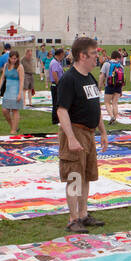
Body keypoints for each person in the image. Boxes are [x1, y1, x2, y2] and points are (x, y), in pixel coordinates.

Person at [55, 36, 109, 233]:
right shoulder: (69, 79)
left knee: (86, 175)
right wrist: (70, 138)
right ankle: (73, 218)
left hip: (89, 133)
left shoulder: (90, 77)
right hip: (75, 131)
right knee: (74, 175)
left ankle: (84, 214)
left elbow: (96, 105)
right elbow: (61, 111)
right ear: (82, 55)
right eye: (94, 54)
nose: (97, 57)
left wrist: (102, 131)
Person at [0, 49, 26, 133]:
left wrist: (20, 93)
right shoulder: (6, 65)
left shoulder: (20, 67)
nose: (13, 60)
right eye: (12, 58)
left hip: (16, 90)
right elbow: (2, 78)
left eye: (15, 58)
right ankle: (13, 126)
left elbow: (21, 80)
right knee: (5, 110)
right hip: (8, 91)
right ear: (9, 58)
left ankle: (13, 129)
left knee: (15, 110)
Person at [100, 49, 124, 125]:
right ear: (117, 57)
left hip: (109, 85)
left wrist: (99, 86)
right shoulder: (120, 66)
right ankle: (115, 118)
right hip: (118, 86)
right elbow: (122, 79)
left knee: (107, 102)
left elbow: (102, 76)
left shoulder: (106, 64)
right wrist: (121, 90)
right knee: (115, 103)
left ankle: (111, 116)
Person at [48, 48, 65, 125]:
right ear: (60, 54)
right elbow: (55, 74)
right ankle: (55, 120)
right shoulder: (54, 63)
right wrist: (59, 84)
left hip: (56, 85)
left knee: (58, 103)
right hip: (56, 85)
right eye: (63, 54)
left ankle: (58, 119)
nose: (63, 56)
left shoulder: (57, 62)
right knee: (56, 103)